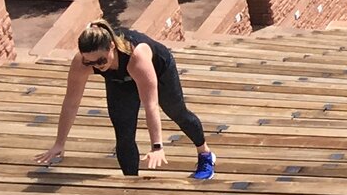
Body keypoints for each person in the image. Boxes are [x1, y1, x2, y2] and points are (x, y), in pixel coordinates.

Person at [35, 21, 215, 180]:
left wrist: (157, 146)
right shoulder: (82, 62)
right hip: (120, 80)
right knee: (123, 133)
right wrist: (59, 143)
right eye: (91, 63)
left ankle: (205, 154)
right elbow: (71, 103)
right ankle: (131, 181)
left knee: (175, 111)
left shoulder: (136, 56)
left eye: (101, 60)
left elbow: (151, 105)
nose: (98, 66)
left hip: (157, 71)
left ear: (111, 46)